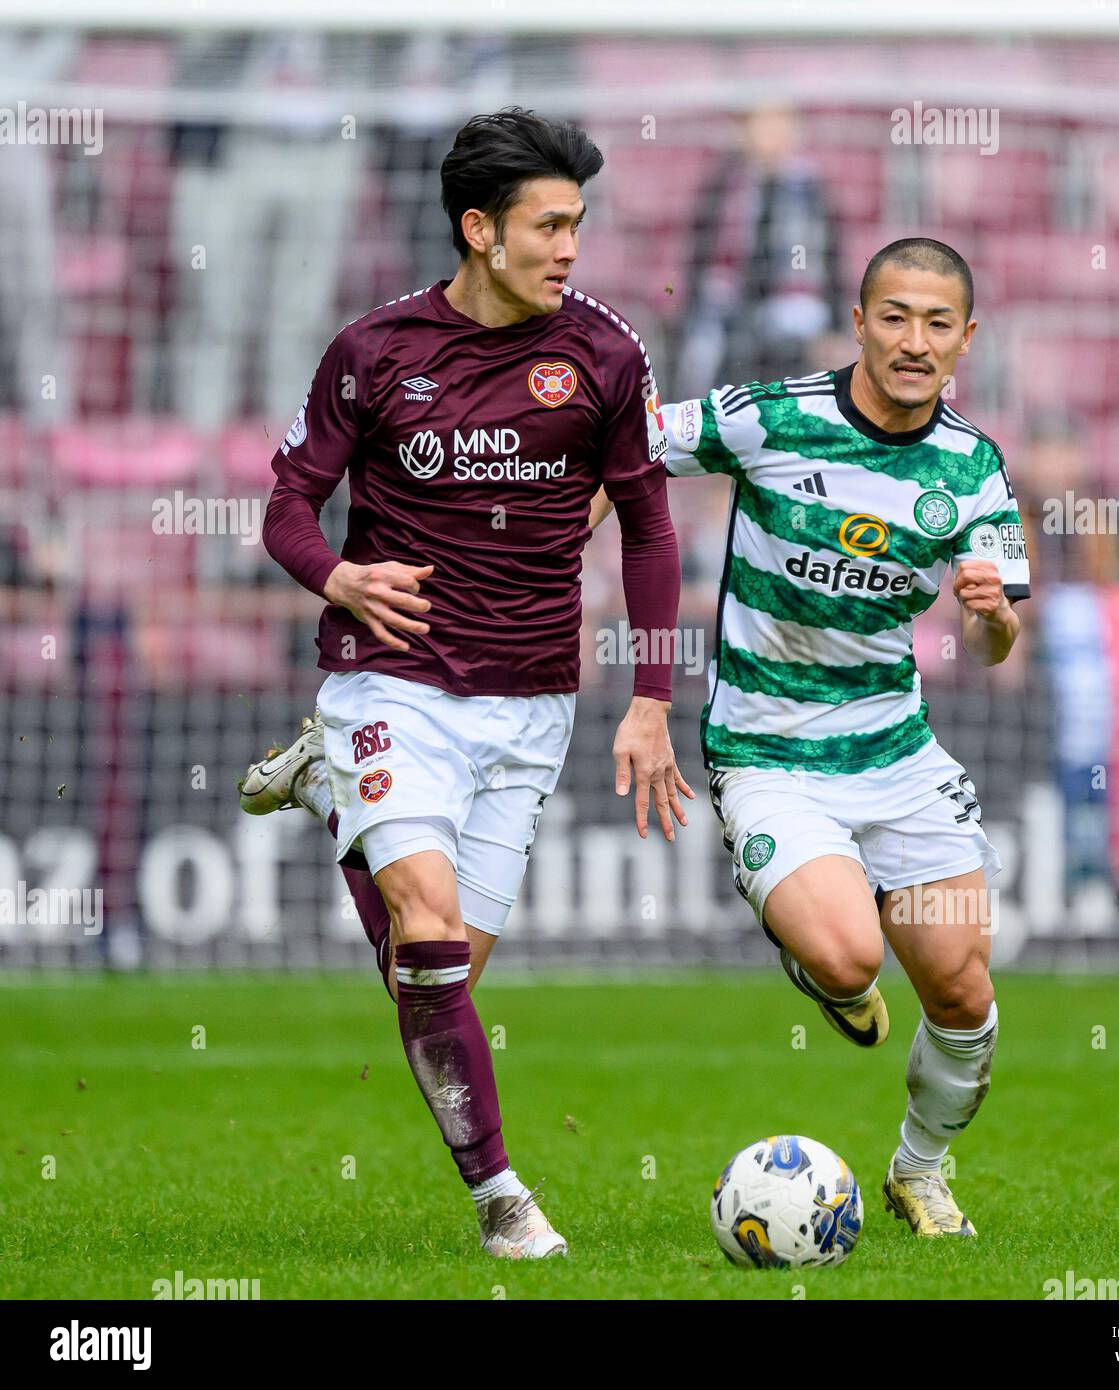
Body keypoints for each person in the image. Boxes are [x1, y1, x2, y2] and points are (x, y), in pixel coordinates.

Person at [241, 108, 691, 1259]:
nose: (569, 248)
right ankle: (501, 1199)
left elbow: (647, 526)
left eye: (578, 225)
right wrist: (338, 575)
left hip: (533, 699)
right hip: (392, 677)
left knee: (431, 976)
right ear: (479, 230)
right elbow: (285, 506)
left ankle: (335, 797)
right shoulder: (375, 350)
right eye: (548, 226)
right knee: (432, 941)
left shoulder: (605, 354)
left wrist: (650, 698)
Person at [594, 237, 1030, 1236]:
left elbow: (999, 636)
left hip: (898, 756)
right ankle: (814, 952)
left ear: (965, 338)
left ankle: (918, 1171)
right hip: (769, 754)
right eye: (894, 316)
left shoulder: (972, 465)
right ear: (859, 321)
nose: (913, 342)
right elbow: (626, 446)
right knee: (847, 962)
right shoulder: (770, 418)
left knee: (961, 989)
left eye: (935, 324)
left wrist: (991, 615)